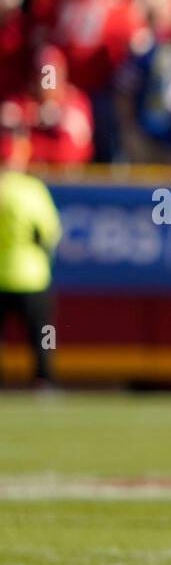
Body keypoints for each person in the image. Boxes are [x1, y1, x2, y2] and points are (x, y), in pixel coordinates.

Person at [0, 135, 62, 385]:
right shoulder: (30, 189)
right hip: (31, 275)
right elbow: (50, 232)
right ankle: (44, 380)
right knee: (43, 334)